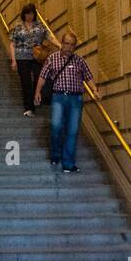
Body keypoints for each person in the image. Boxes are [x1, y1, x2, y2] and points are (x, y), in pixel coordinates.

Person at [33, 32, 93, 172]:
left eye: (72, 45)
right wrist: (37, 92)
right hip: (59, 97)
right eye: (66, 43)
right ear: (62, 43)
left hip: (75, 99)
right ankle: (55, 154)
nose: (69, 47)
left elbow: (88, 76)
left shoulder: (79, 60)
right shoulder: (52, 58)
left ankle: (68, 163)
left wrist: (94, 89)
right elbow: (42, 76)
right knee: (56, 126)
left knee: (72, 131)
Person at [10, 4, 54, 116]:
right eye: (27, 13)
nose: (29, 16)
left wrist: (59, 44)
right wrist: (13, 60)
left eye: (31, 13)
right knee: (26, 82)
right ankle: (29, 107)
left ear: (34, 14)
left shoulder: (40, 26)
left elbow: (49, 37)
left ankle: (36, 96)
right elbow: (12, 44)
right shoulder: (18, 27)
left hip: (37, 57)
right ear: (23, 14)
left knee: (39, 78)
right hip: (22, 57)